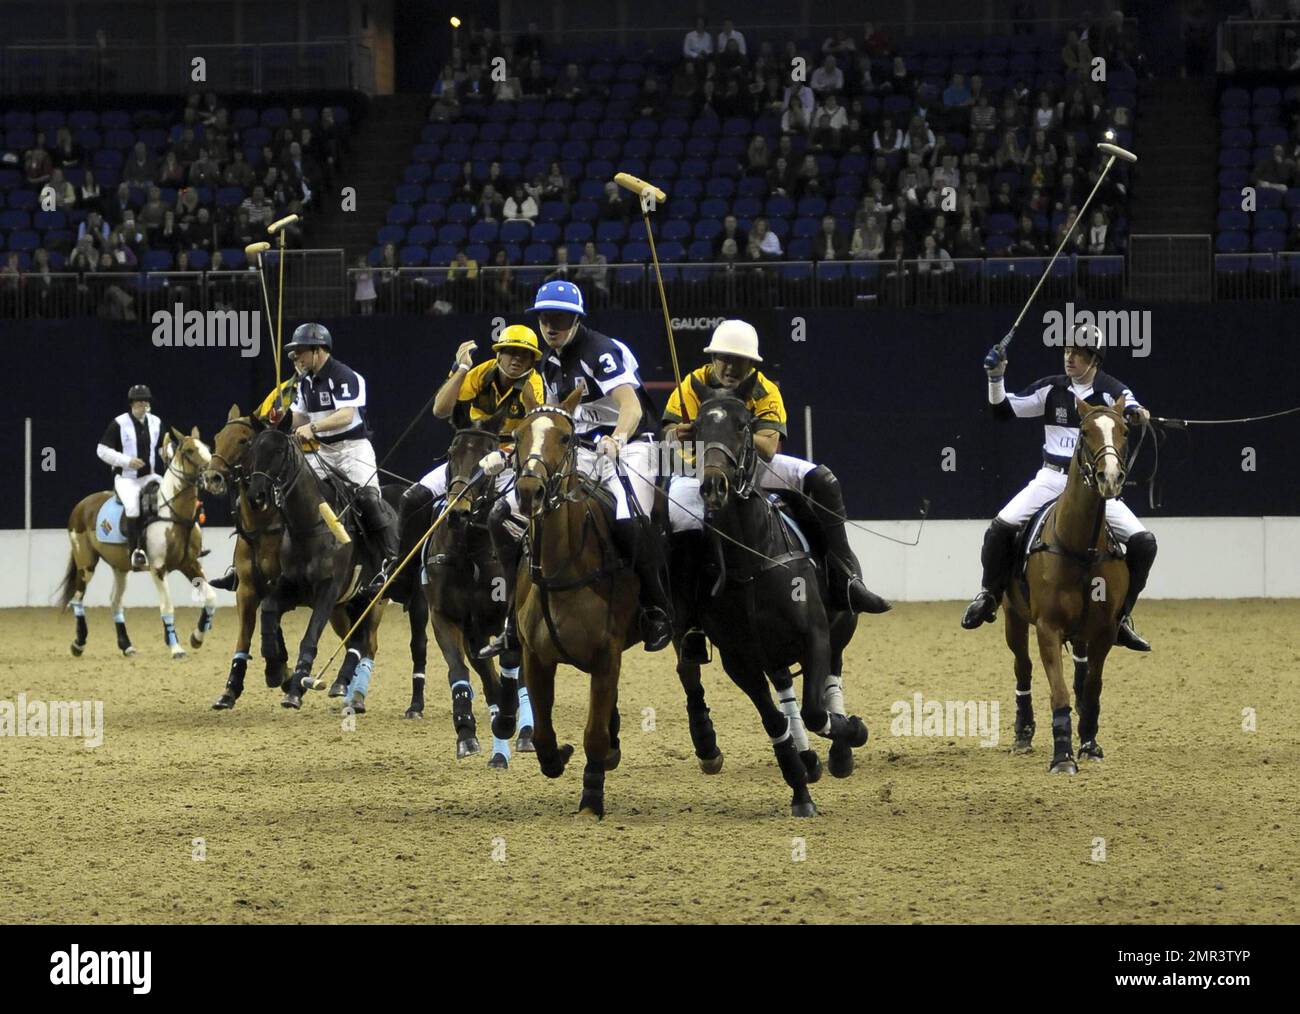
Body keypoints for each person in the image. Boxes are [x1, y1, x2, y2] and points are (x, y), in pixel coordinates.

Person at [661, 320, 890, 661]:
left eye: (738, 360)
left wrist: (726, 430)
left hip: (754, 467)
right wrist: (678, 435)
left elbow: (768, 446)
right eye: (723, 357)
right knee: (679, 516)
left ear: (751, 364)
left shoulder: (764, 390)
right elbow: (665, 434)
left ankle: (845, 580)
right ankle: (688, 618)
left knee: (823, 480)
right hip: (698, 469)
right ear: (713, 357)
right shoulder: (692, 384)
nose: (729, 366)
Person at [960, 325, 1157, 650]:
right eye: (1067, 351)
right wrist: (996, 378)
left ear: (1095, 359)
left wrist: (1137, 414)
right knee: (1000, 527)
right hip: (1052, 479)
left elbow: (1131, 405)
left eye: (1078, 354)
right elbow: (1003, 410)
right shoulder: (1052, 389)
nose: (1070, 358)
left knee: (1144, 543)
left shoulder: (1110, 391)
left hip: (1092, 487)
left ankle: (1120, 617)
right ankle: (989, 595)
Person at [526, 280, 673, 651]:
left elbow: (632, 407)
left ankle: (656, 608)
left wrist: (617, 440)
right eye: (545, 319)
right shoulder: (548, 363)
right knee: (540, 510)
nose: (551, 326)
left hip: (631, 444)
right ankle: (523, 613)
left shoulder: (600, 350)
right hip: (584, 447)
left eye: (559, 319)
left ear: (576, 320)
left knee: (627, 516)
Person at [403, 327, 547, 659]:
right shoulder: (479, 375)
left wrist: (508, 451)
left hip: (510, 461)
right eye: (510, 352)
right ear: (498, 353)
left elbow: (536, 427)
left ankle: (530, 585)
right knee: (413, 499)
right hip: (468, 459)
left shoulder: (534, 384)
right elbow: (441, 410)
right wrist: (461, 369)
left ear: (531, 360)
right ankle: (403, 578)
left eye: (524, 355)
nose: (515, 360)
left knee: (518, 516)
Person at [283, 323, 399, 585]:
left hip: (351, 449)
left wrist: (312, 427)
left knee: (369, 500)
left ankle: (389, 559)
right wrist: (282, 418)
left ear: (318, 350)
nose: (296, 358)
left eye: (300, 351)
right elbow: (299, 416)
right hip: (323, 451)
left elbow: (346, 415)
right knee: (295, 494)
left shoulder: (345, 376)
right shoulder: (305, 383)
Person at [97, 384, 167, 570]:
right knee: (134, 506)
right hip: (127, 478)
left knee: (172, 495)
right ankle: (136, 551)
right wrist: (127, 461)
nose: (142, 406)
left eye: (145, 402)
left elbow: (162, 447)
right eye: (139, 403)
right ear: (131, 404)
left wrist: (168, 452)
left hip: (149, 476)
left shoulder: (156, 422)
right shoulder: (119, 424)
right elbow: (102, 450)